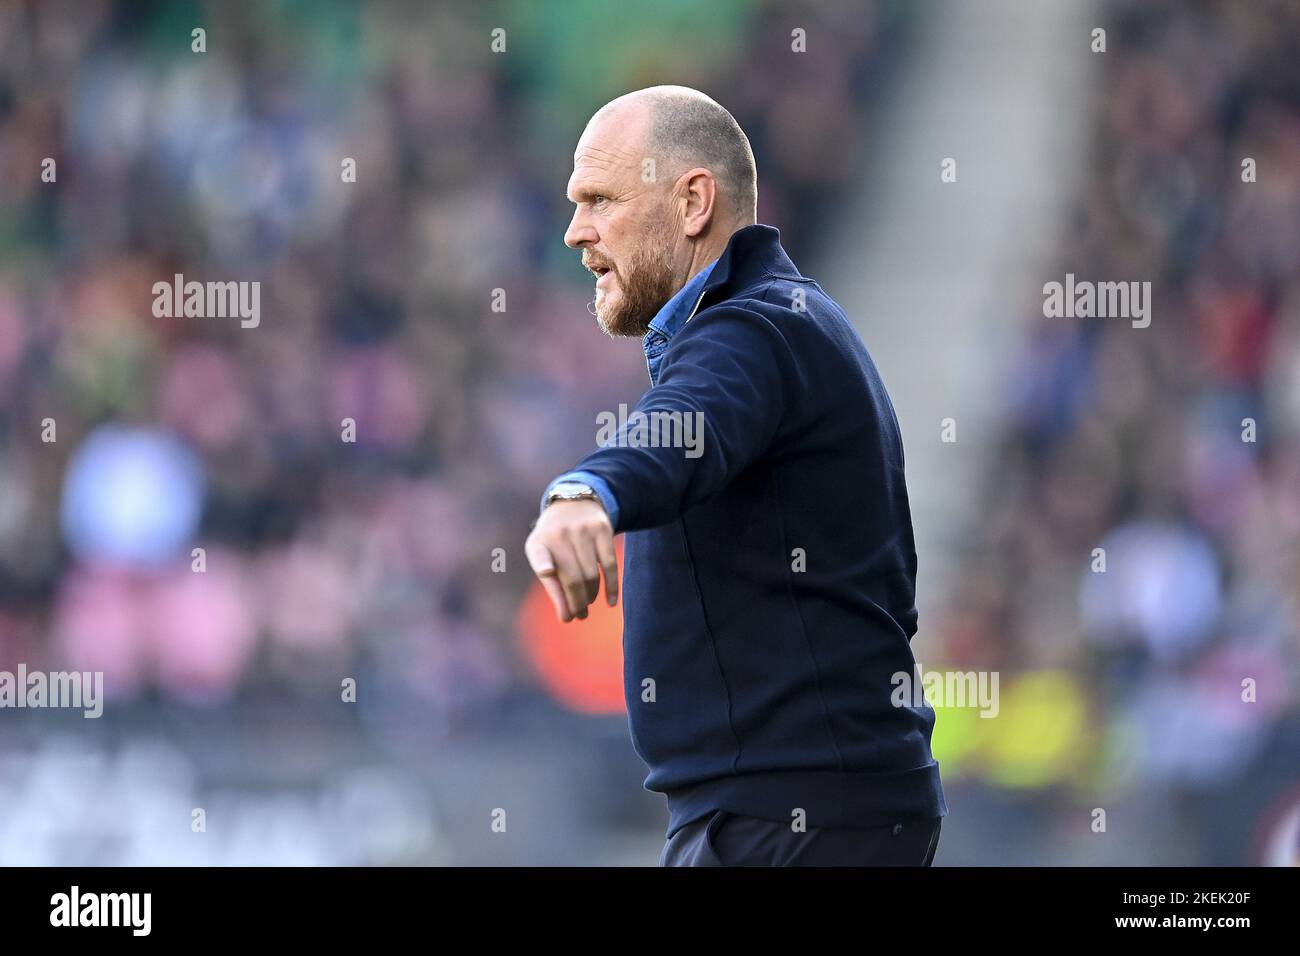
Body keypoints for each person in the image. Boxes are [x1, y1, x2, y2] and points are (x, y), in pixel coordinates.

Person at [525, 86, 945, 866]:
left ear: (692, 202)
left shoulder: (756, 329)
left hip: (790, 815)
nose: (575, 232)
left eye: (599, 200)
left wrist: (589, 491)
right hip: (803, 807)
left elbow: (683, 428)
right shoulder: (787, 322)